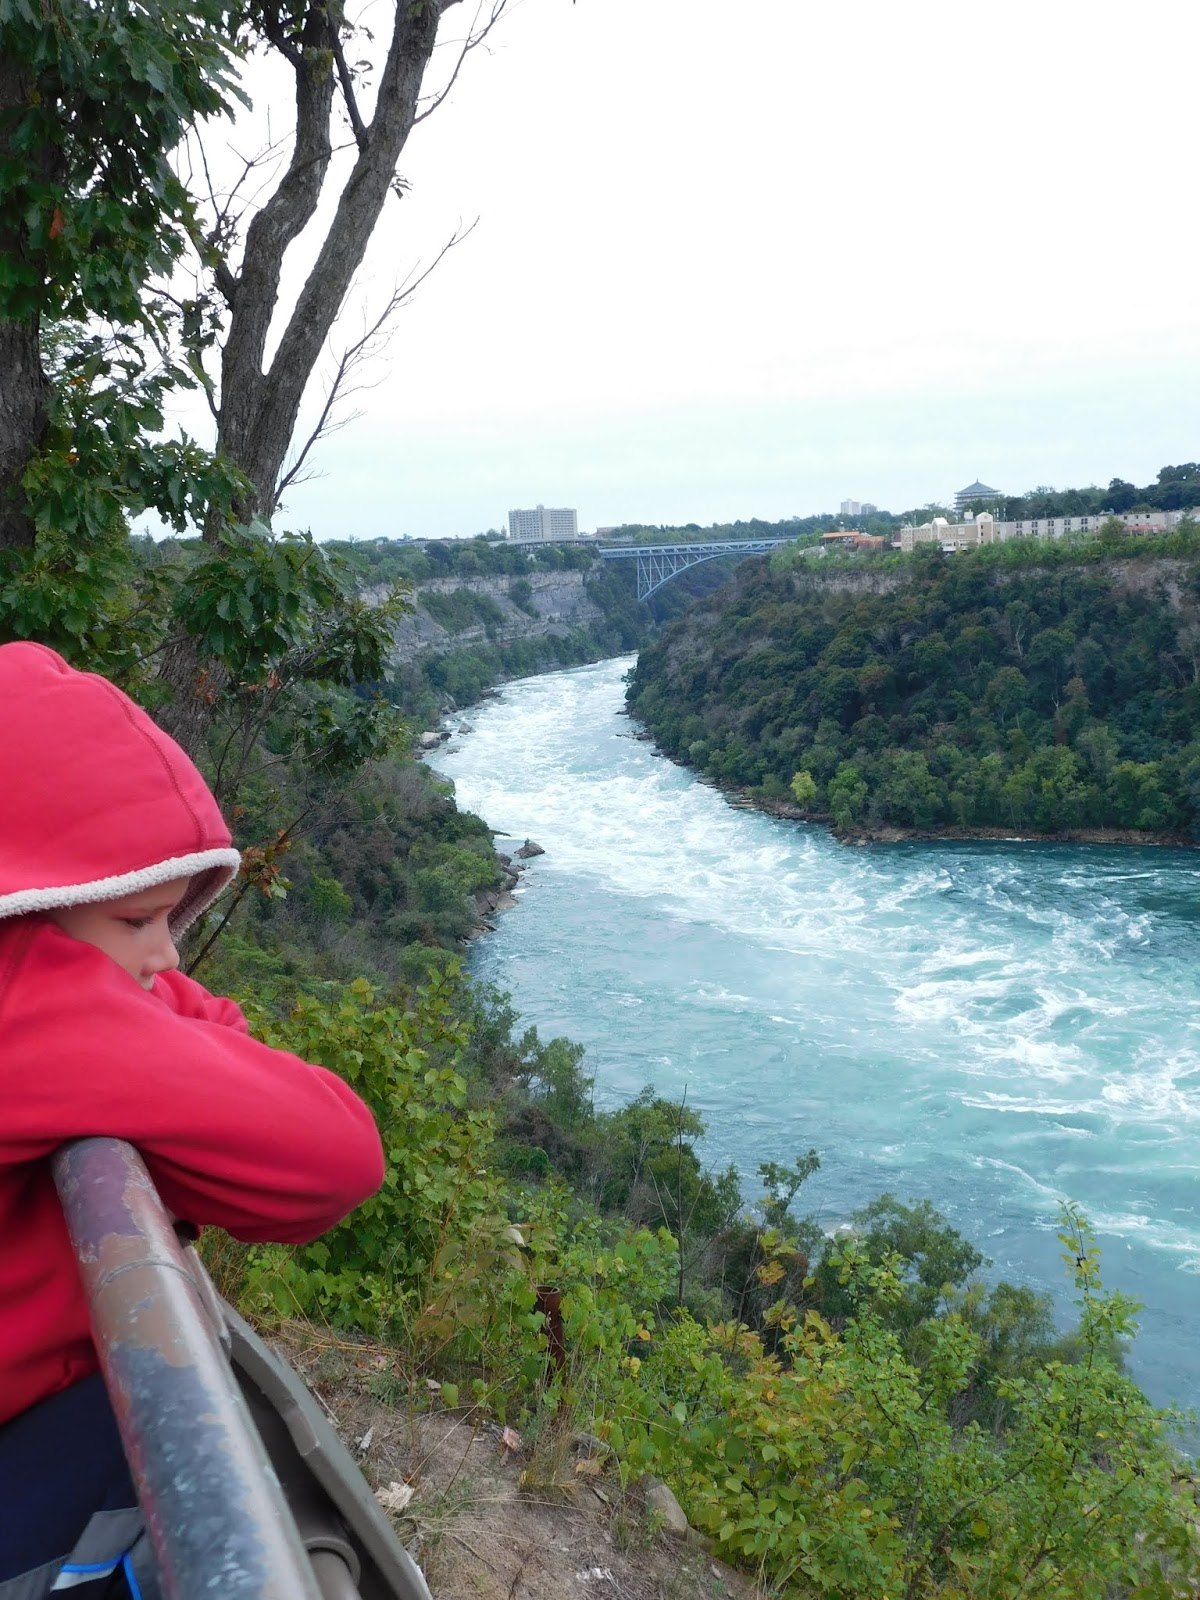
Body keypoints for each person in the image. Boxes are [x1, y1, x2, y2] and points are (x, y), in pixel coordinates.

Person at [0, 642, 386, 1599]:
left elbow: (214, 1036)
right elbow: (334, 1154)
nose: (169, 955)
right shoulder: (30, 1005)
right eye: (138, 921)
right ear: (27, 907)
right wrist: (151, 1035)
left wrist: (147, 1000)